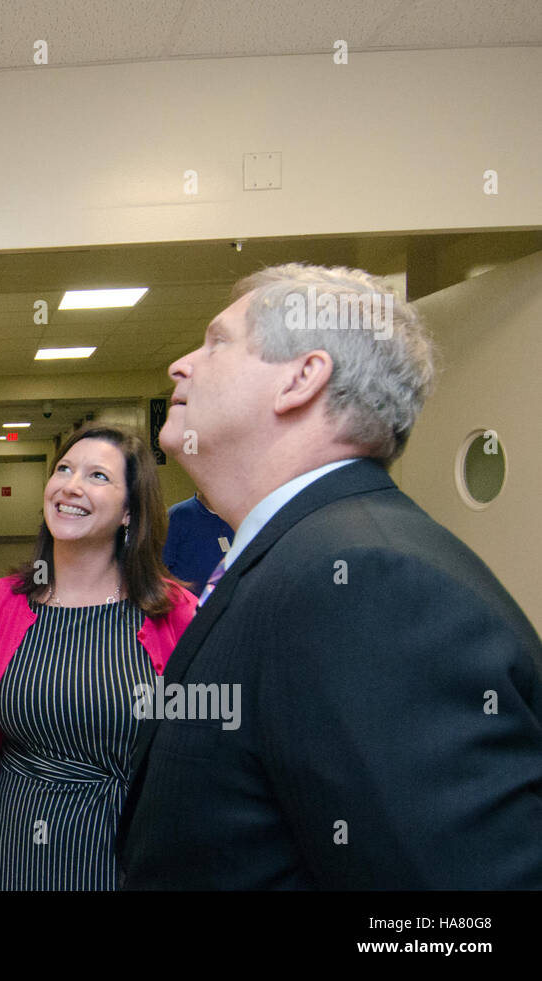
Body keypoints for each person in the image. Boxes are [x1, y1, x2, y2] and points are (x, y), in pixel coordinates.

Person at [118, 263, 542, 889]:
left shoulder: (366, 583)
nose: (181, 365)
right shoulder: (297, 553)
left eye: (216, 342)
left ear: (302, 377)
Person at [0, 426, 196, 890]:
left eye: (97, 476)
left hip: (129, 844)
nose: (71, 485)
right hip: (21, 842)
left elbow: (198, 749)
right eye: (64, 469)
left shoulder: (174, 614)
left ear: (130, 510)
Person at [162, 490, 234, 595]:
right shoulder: (178, 514)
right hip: (185, 601)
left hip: (222, 599)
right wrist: (185, 588)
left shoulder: (232, 516)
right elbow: (157, 567)